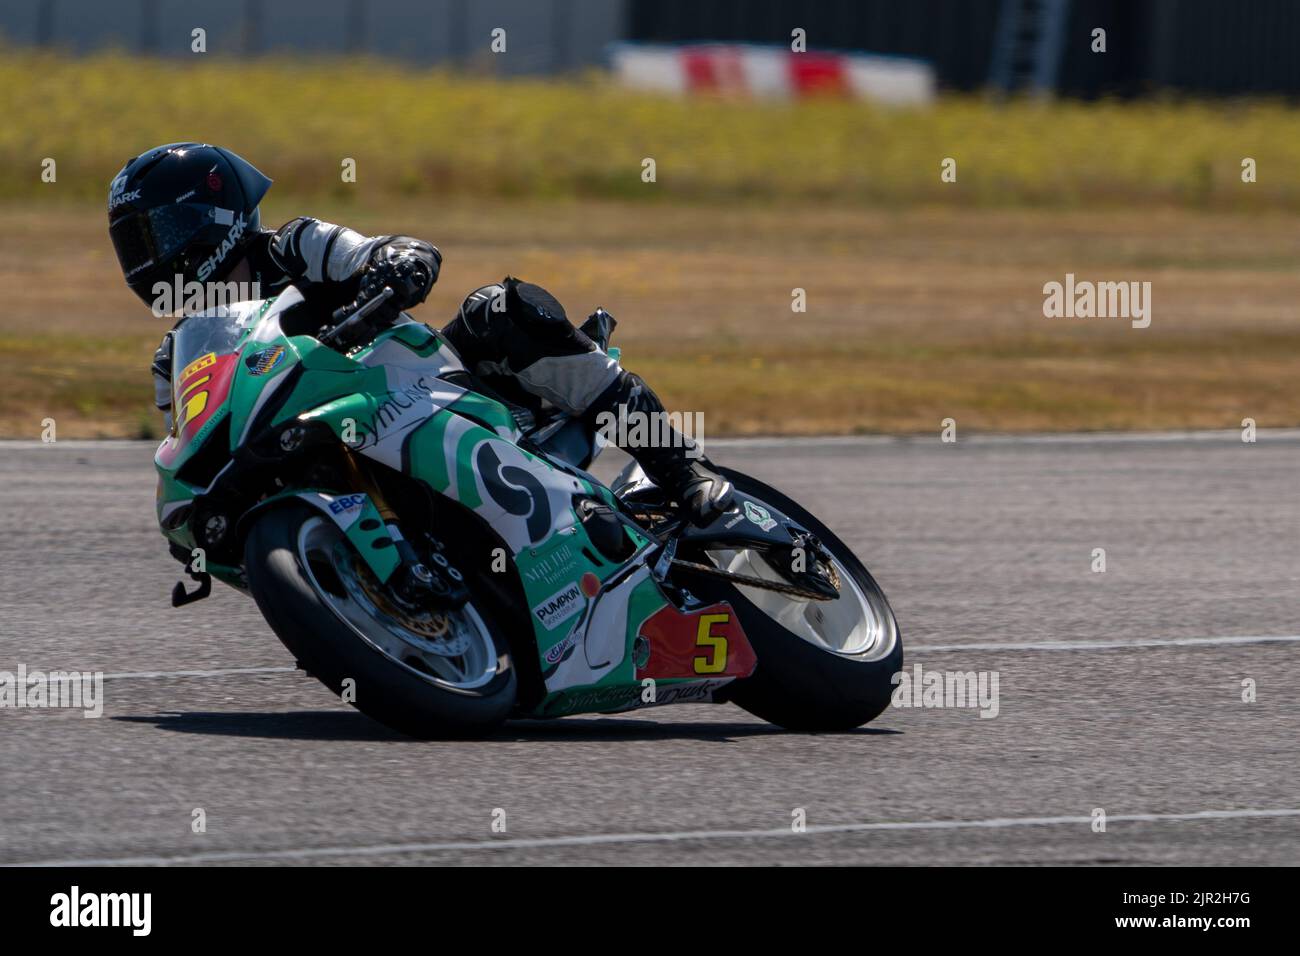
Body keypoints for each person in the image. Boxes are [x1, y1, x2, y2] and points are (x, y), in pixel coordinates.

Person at [108, 142, 732, 523]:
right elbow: (190, 439)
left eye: (154, 235)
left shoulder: (295, 247)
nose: (147, 259)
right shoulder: (177, 356)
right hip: (320, 446)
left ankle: (682, 470)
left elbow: (381, 250)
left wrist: (398, 264)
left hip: (431, 390)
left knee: (501, 309)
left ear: (211, 219)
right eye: (132, 245)